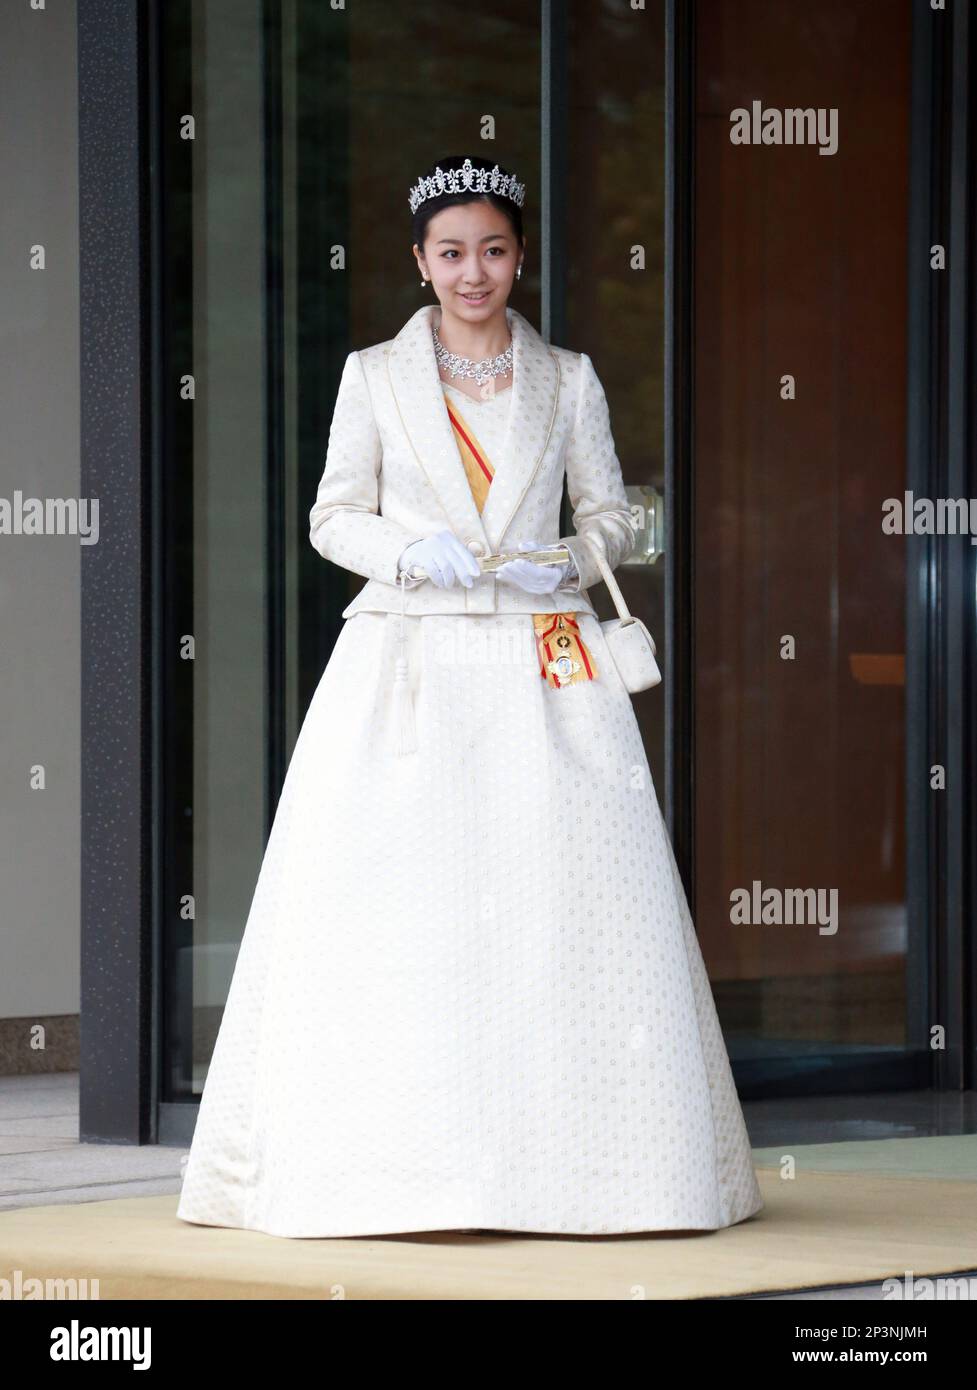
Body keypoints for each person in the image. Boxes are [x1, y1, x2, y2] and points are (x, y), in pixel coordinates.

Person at [176, 153, 764, 1239]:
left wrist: (569, 556)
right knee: (402, 912)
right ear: (418, 263)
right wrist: (411, 555)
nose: (472, 272)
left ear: (518, 255)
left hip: (544, 658)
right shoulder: (372, 375)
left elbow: (618, 512)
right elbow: (330, 517)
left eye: (491, 250)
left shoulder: (570, 378)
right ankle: (388, 1172)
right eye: (450, 254)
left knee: (561, 910)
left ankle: (593, 1174)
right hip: (407, 666)